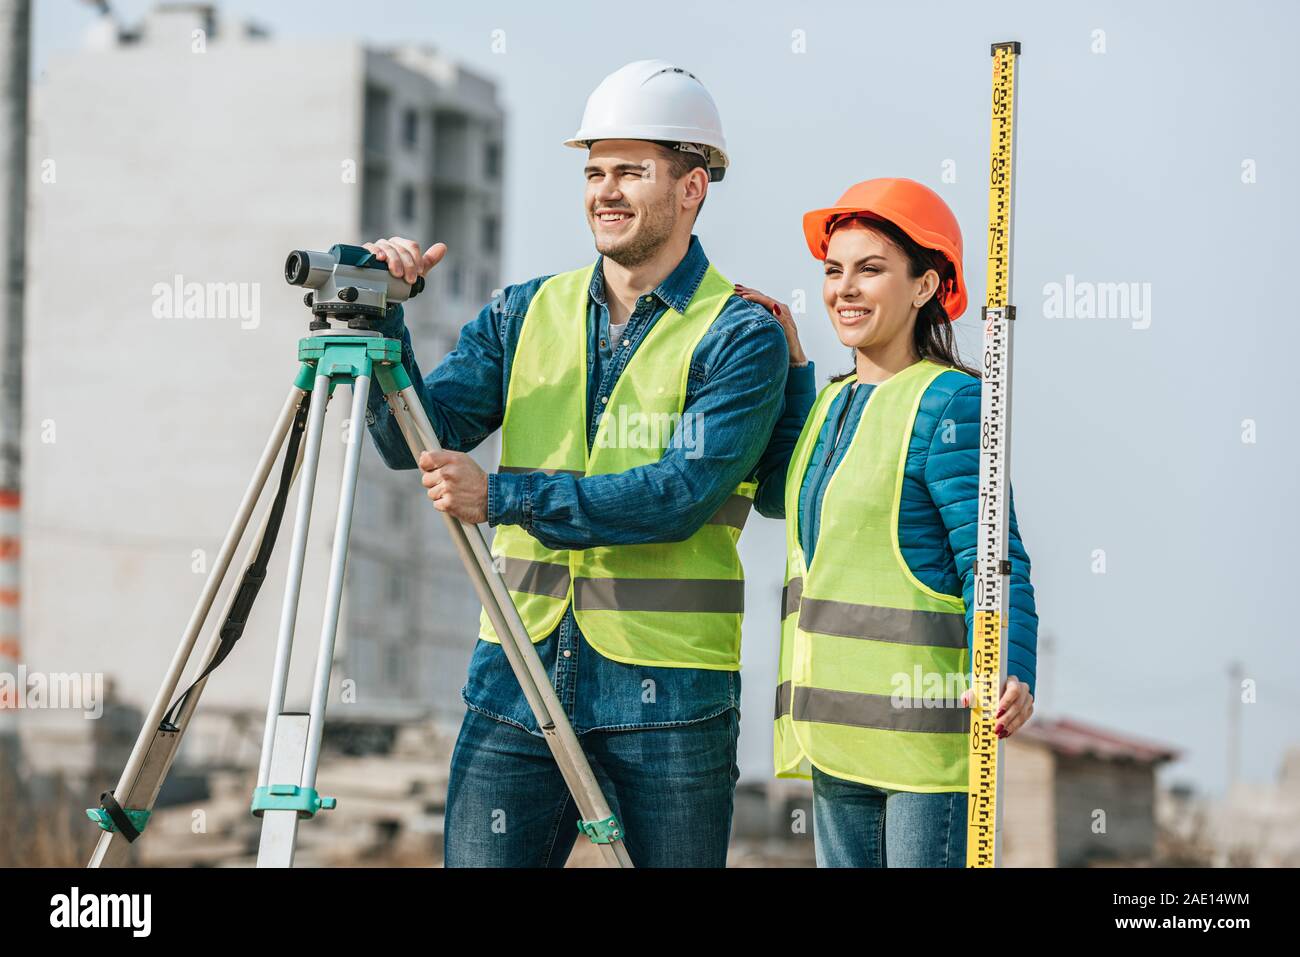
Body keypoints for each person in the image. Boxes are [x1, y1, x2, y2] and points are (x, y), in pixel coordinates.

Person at [361, 60, 791, 867]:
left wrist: (503, 494)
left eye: (632, 171)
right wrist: (385, 326)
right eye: (595, 171)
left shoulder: (740, 334)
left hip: (668, 693)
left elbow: (678, 494)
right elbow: (409, 442)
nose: (606, 191)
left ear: (692, 188)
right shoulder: (524, 312)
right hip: (517, 671)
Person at [738, 178, 1039, 867]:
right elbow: (783, 495)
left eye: (870, 270)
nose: (845, 288)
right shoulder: (830, 400)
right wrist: (793, 371)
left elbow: (993, 557)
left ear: (926, 286)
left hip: (921, 750)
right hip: (832, 737)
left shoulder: (951, 402)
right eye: (833, 270)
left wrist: (1011, 665)